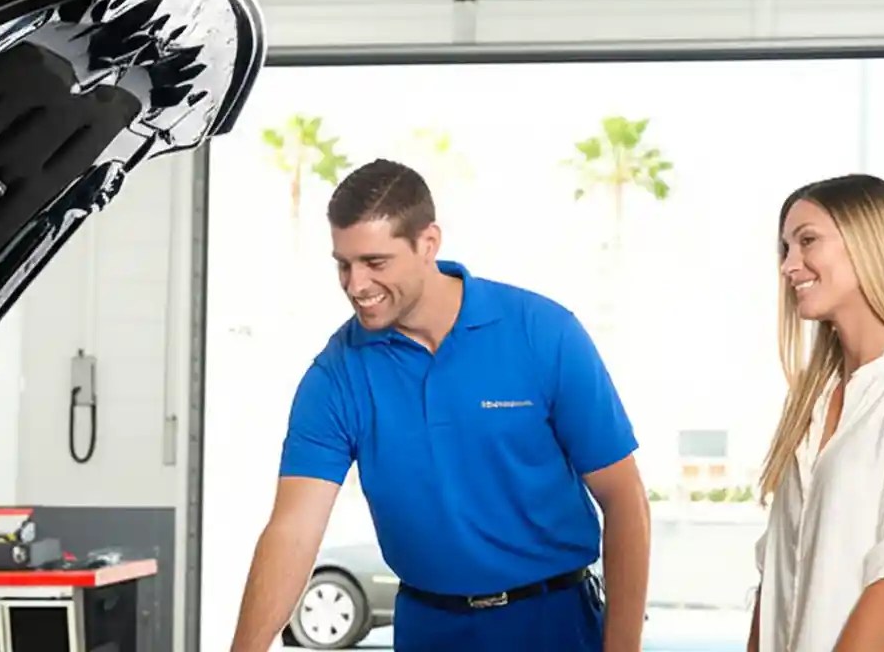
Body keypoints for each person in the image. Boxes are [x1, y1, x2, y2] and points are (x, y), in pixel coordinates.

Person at [229, 159, 651, 652]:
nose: (355, 284)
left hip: (553, 622)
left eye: (375, 262)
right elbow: (293, 529)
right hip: (428, 628)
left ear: (428, 243)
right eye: (343, 264)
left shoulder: (542, 333)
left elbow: (624, 500)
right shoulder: (337, 373)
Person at [746, 174, 884, 651]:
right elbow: (775, 579)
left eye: (807, 241)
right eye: (784, 248)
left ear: (869, 244)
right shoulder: (808, 405)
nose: (789, 266)